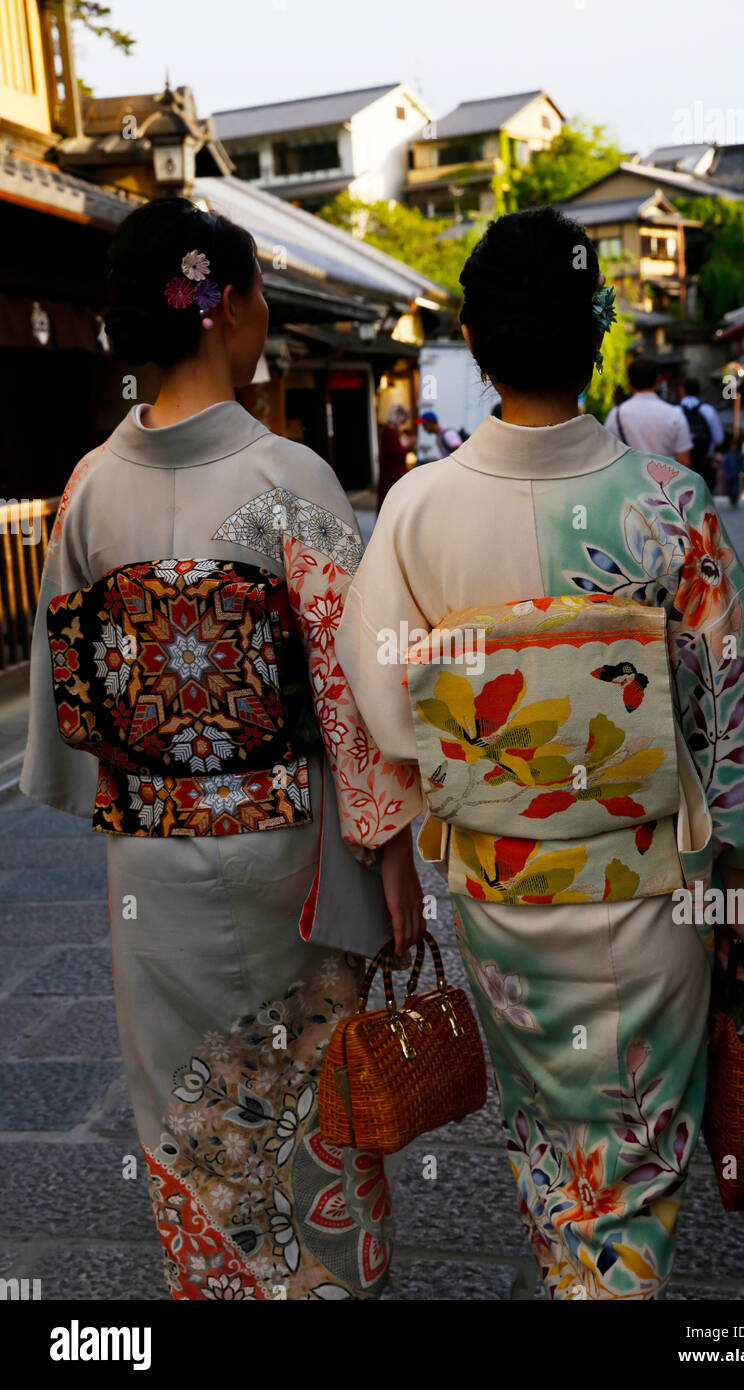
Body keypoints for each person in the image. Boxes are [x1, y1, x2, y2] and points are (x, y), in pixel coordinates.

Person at [334, 206, 744, 1300]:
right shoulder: (667, 507)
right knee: (635, 1145)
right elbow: (726, 726)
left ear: (472, 342)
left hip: (500, 894)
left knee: (549, 1137)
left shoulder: (416, 509)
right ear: (596, 335)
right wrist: (733, 867)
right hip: (651, 889)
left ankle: (576, 1273)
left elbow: (384, 701)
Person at [20, 197, 425, 1301]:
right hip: (287, 846)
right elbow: (354, 689)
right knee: (311, 1088)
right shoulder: (285, 479)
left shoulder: (89, 490)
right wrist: (390, 848)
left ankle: (217, 1284)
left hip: (152, 859)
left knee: (187, 1103)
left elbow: (77, 708)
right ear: (228, 306)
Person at [604, 357, 692, 466]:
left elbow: (608, 457)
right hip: (666, 481)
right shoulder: (675, 414)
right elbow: (684, 462)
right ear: (658, 380)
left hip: (629, 480)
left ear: (629, 384)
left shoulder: (616, 414)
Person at [680, 376, 723, 489]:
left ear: (683, 390)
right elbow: (719, 438)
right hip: (704, 462)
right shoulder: (708, 410)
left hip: (681, 464)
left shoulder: (676, 411)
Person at [377, 402, 414, 511]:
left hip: (392, 473)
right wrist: (408, 447)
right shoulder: (390, 432)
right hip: (393, 474)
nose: (402, 423)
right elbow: (396, 453)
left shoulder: (390, 431)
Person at [721, 434, 744, 507]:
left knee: (735, 488)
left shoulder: (739, 455)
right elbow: (724, 464)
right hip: (729, 474)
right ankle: (731, 499)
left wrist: (741, 471)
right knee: (729, 489)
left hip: (736, 474)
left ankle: (735, 500)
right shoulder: (727, 455)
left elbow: (741, 464)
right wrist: (725, 472)